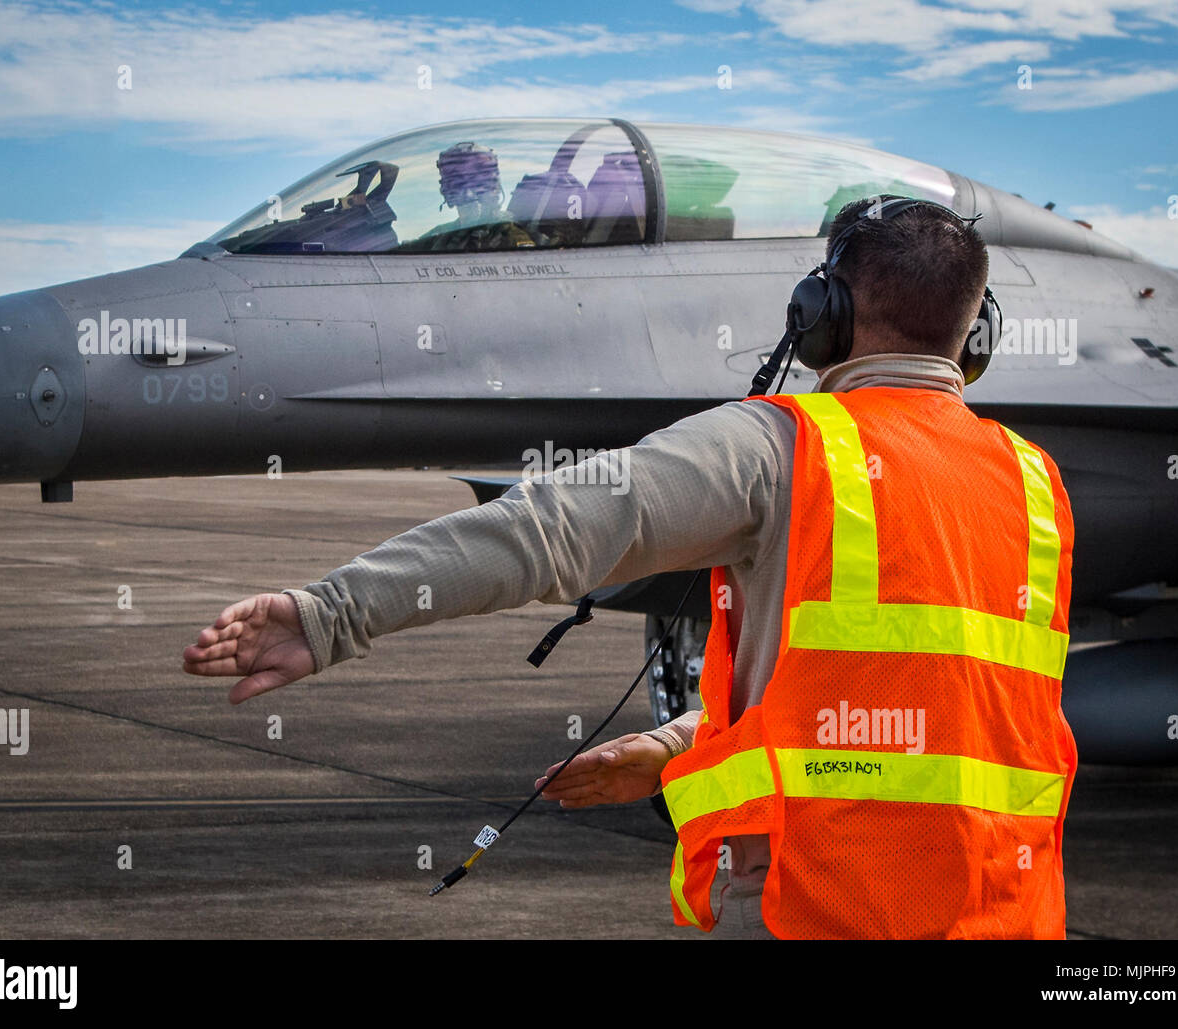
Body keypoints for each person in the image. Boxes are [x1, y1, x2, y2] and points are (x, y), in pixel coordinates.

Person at [182, 196, 1076, 939]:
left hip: (822, 909)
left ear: (821, 313)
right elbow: (922, 710)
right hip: (1010, 917)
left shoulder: (784, 448)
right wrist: (675, 745)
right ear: (974, 331)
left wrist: (333, 612)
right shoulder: (1037, 486)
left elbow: (549, 531)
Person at [405, 141, 534, 251]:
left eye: (478, 185)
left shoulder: (513, 234)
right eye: (458, 185)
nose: (468, 195)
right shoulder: (440, 236)